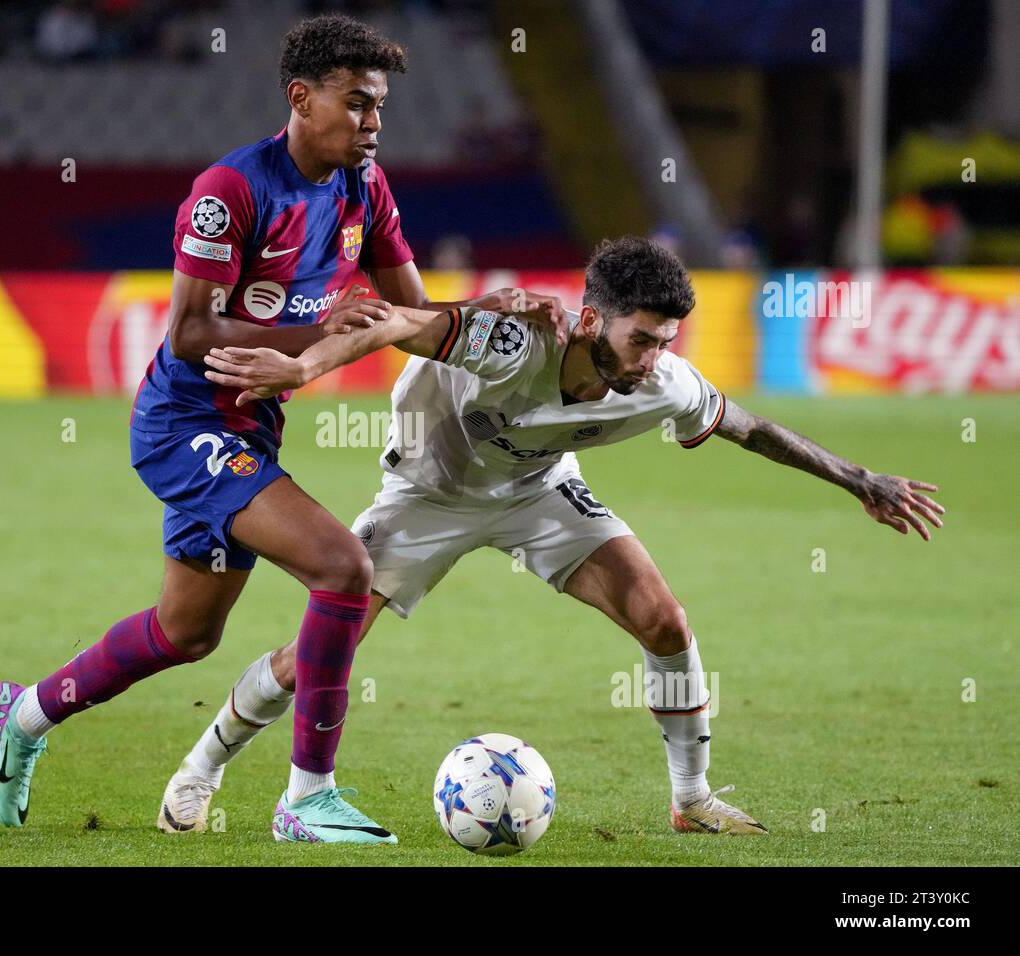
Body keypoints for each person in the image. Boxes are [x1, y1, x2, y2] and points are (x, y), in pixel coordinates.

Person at [0, 13, 565, 846]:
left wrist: (483, 309)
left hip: (251, 429)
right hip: (186, 421)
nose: (373, 123)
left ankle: (24, 715)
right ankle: (307, 797)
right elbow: (187, 332)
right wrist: (314, 339)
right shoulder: (233, 191)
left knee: (186, 633)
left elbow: (405, 313)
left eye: (381, 107)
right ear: (302, 98)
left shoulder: (366, 189)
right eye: (357, 103)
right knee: (343, 566)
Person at [162, 236, 946, 841]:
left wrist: (860, 480)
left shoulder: (662, 381)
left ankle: (692, 799)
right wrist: (305, 369)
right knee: (316, 658)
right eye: (642, 338)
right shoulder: (514, 340)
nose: (655, 359)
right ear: (592, 318)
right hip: (428, 497)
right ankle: (199, 772)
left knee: (664, 620)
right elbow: (400, 321)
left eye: (668, 340)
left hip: (537, 492)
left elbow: (753, 429)